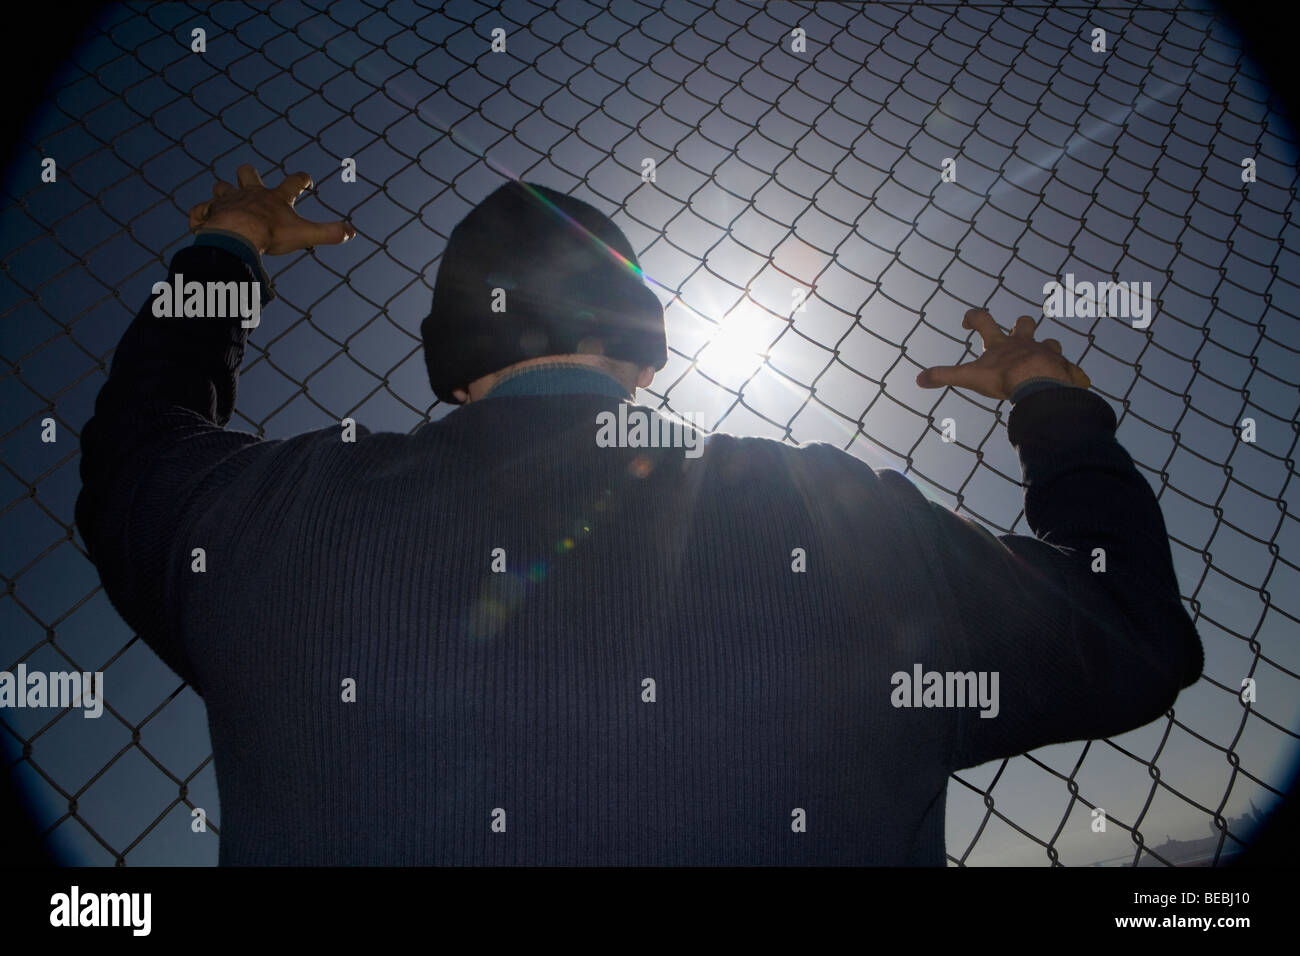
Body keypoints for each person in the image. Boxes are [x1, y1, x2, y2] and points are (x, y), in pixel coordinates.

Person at [75, 166, 1203, 865]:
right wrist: (1048, 399)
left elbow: (135, 436)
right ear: (646, 346)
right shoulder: (844, 518)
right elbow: (1135, 632)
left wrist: (227, 242)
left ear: (445, 360)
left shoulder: (266, 514)